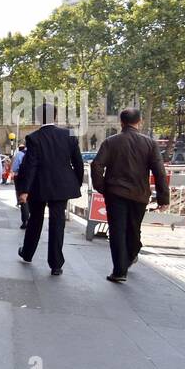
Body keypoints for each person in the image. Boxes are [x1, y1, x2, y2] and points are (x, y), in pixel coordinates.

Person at [91, 108, 169, 283]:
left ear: (121, 122)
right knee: (134, 229)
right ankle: (131, 255)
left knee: (117, 230)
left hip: (115, 192)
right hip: (139, 194)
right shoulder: (150, 144)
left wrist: (102, 187)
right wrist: (164, 197)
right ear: (139, 122)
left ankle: (119, 270)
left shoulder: (111, 142)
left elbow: (96, 165)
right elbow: (159, 171)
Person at [15, 104, 84, 275]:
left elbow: (31, 165)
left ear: (38, 118)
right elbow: (78, 162)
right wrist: (77, 181)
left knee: (35, 220)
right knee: (57, 222)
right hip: (62, 185)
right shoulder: (69, 135)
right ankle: (56, 264)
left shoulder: (33, 137)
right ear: (55, 116)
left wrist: (24, 190)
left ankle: (28, 253)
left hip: (39, 186)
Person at [11, 142, 30, 227]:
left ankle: (25, 220)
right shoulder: (38, 152)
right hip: (35, 180)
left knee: (23, 198)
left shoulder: (20, 154)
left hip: (21, 179)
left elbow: (14, 168)